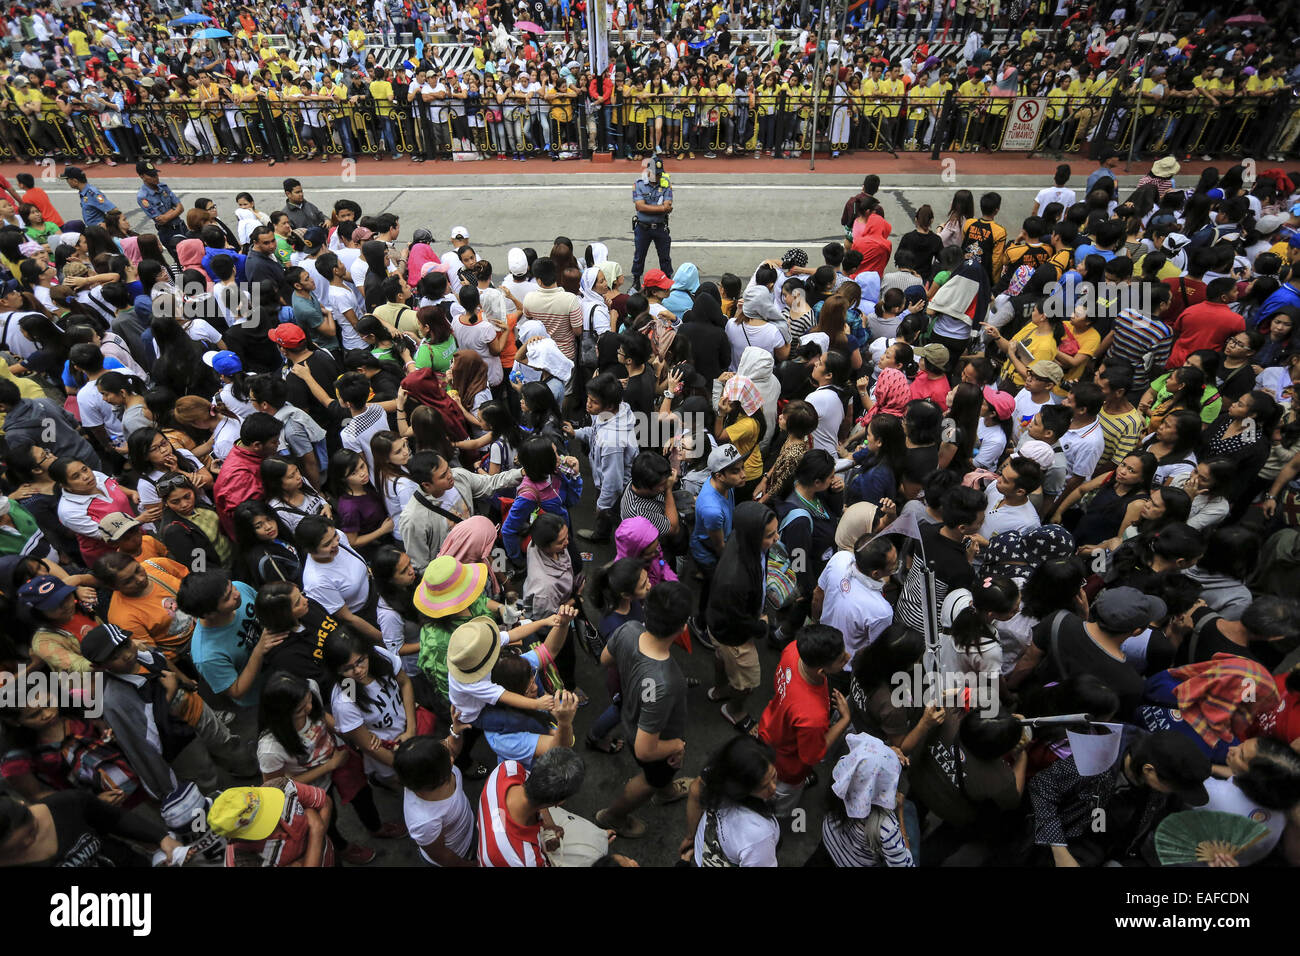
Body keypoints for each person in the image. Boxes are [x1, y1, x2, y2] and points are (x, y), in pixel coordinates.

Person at [596, 580, 694, 838]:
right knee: (652, 778)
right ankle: (614, 816)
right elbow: (645, 748)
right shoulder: (665, 681)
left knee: (661, 776)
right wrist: (676, 746)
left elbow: (606, 659)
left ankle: (666, 789)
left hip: (630, 719)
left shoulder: (628, 629)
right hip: (656, 741)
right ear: (683, 626)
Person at [756, 624, 851, 816]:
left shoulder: (794, 650)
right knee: (778, 802)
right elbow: (812, 755)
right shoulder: (812, 715)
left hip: (770, 729)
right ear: (822, 672)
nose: (848, 656)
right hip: (787, 766)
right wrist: (844, 719)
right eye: (842, 659)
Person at [478, 747, 588, 867]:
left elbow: (535, 790)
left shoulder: (507, 769)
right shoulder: (526, 859)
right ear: (560, 802)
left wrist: (549, 825)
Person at [680, 735, 780, 867]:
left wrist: (691, 836)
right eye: (761, 787)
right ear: (738, 788)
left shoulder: (719, 775)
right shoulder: (758, 836)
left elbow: (695, 790)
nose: (773, 789)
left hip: (703, 850)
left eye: (773, 776)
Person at [631, 155, 673, 290]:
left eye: (659, 174)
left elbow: (668, 205)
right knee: (639, 256)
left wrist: (650, 208)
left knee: (665, 257)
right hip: (643, 228)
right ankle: (636, 280)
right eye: (655, 174)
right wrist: (661, 209)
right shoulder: (639, 184)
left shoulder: (666, 183)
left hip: (660, 227)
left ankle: (667, 282)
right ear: (648, 171)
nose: (658, 177)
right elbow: (640, 206)